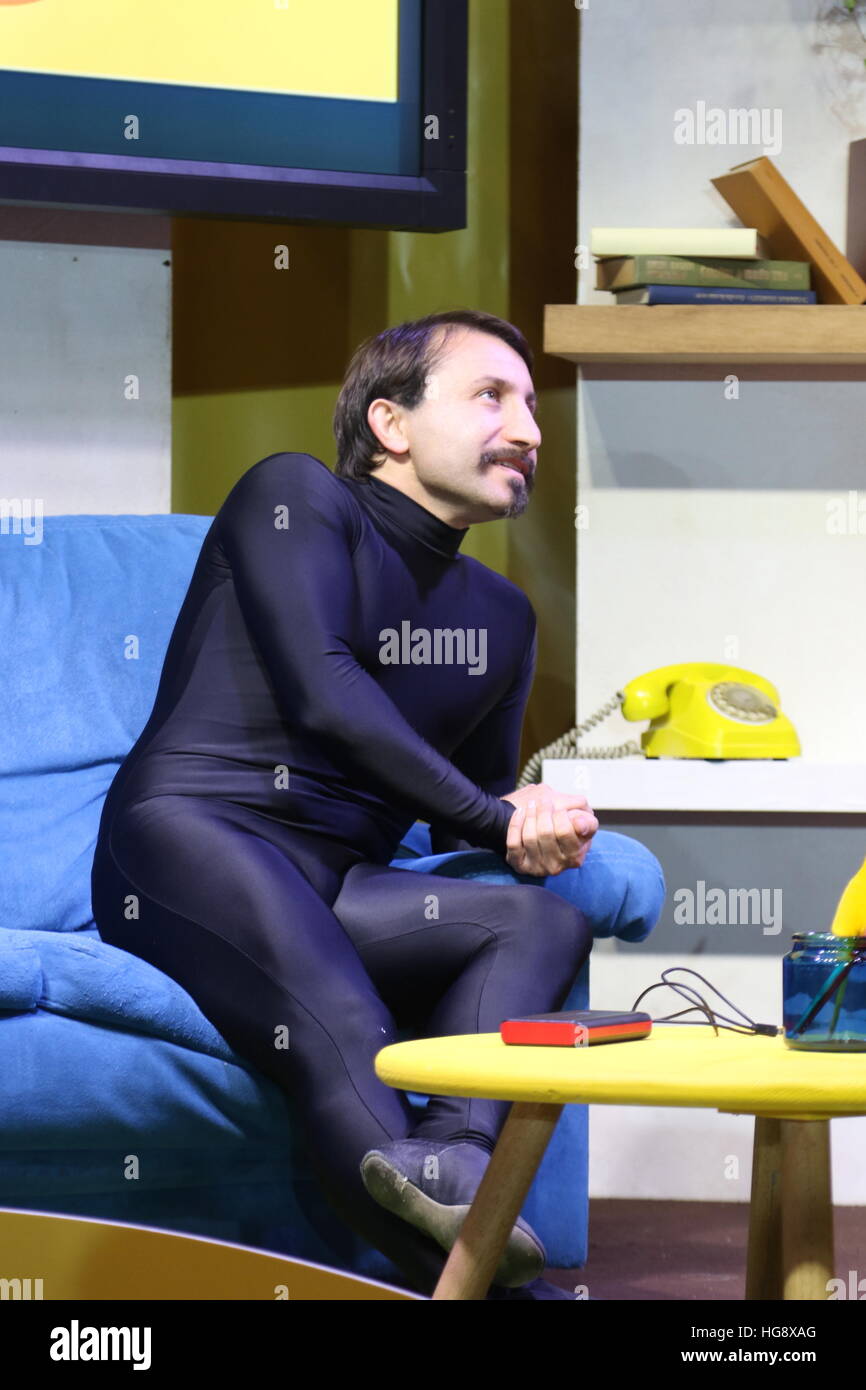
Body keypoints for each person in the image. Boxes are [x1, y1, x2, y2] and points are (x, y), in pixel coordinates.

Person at [90, 309, 663, 1301]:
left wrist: (529, 825)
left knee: (535, 921)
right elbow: (325, 690)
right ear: (391, 423)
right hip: (191, 838)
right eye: (490, 395)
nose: (528, 428)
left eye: (530, 404)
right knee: (342, 1018)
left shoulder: (500, 616)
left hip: (335, 880)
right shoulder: (294, 497)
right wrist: (495, 819)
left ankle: (448, 1154)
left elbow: (464, 813)